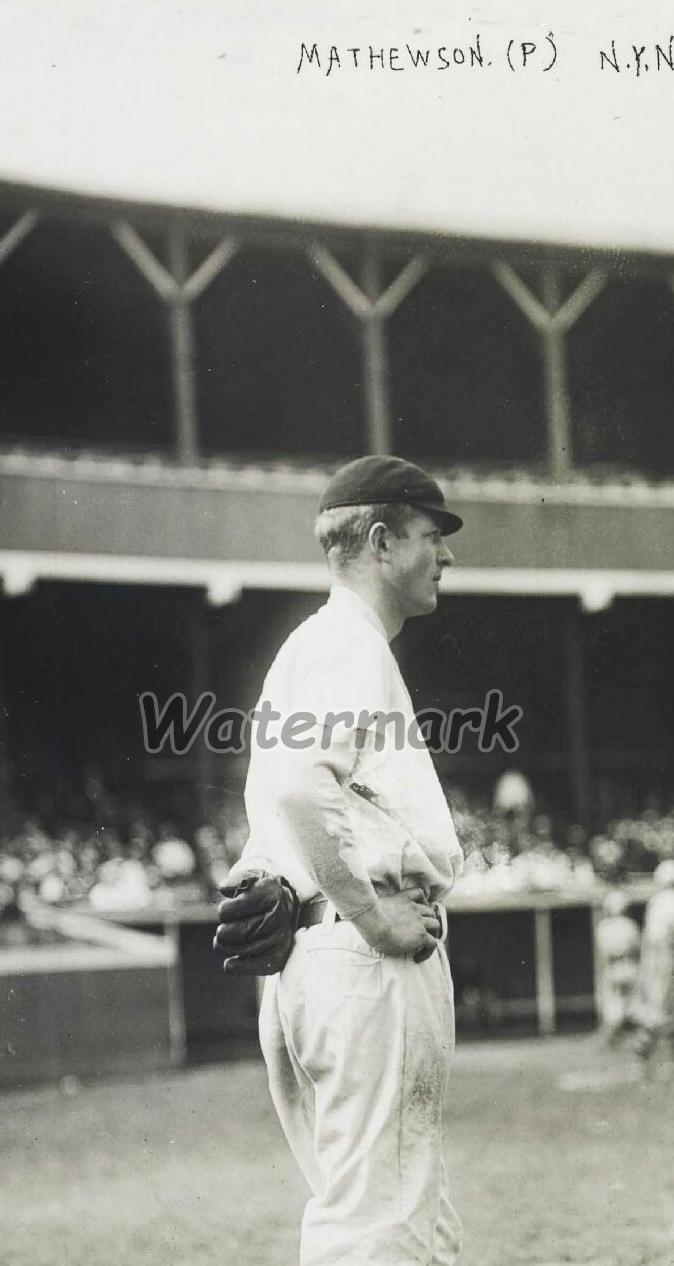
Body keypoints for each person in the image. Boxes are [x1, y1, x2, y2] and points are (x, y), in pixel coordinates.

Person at [213, 455, 466, 1266]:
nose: (447, 555)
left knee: (392, 1211)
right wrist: (372, 912)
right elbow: (295, 786)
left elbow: (281, 806)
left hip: (316, 953)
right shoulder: (349, 642)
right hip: (364, 956)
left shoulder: (308, 648)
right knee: (379, 1226)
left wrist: (279, 880)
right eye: (433, 536)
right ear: (383, 541)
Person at [632, 858, 674, 1077]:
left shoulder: (656, 901)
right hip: (665, 959)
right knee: (661, 1012)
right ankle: (639, 1057)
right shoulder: (673, 900)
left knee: (671, 1012)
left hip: (652, 959)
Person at [594, 891, 642, 1048]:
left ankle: (613, 1037)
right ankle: (631, 1037)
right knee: (632, 1004)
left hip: (613, 967)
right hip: (629, 966)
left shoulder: (603, 926)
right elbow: (638, 948)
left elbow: (602, 953)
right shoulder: (630, 925)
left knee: (614, 1005)